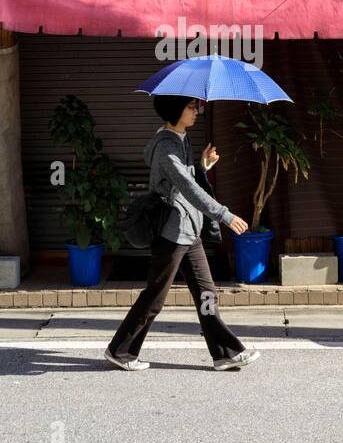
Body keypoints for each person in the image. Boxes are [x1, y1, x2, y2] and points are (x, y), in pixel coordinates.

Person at [105, 94, 260, 372]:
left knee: (207, 293)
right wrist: (224, 215)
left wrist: (202, 166)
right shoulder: (166, 147)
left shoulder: (181, 139)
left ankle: (224, 353)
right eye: (191, 107)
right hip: (171, 233)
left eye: (196, 106)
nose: (196, 111)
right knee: (155, 297)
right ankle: (121, 349)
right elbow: (188, 188)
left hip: (189, 230)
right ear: (176, 111)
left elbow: (185, 180)